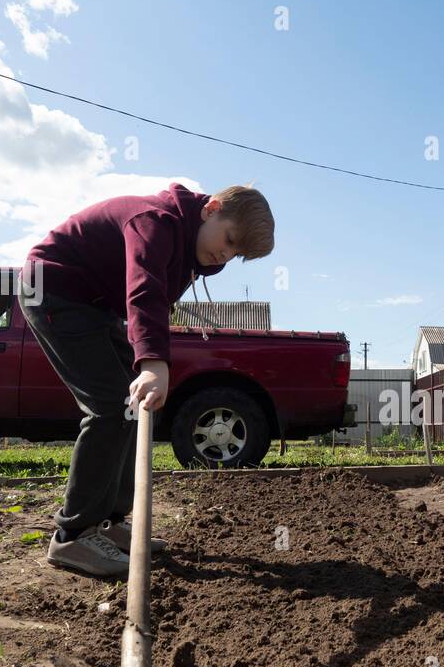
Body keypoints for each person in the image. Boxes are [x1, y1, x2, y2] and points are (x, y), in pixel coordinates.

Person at [18, 182, 275, 576]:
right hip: (53, 289)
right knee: (108, 408)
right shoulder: (154, 221)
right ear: (212, 209)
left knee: (133, 407)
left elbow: (157, 301)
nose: (226, 253)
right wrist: (153, 362)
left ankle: (110, 522)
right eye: (229, 240)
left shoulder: (191, 249)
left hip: (96, 307)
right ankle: (73, 536)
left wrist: (147, 357)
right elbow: (144, 291)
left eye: (236, 253)